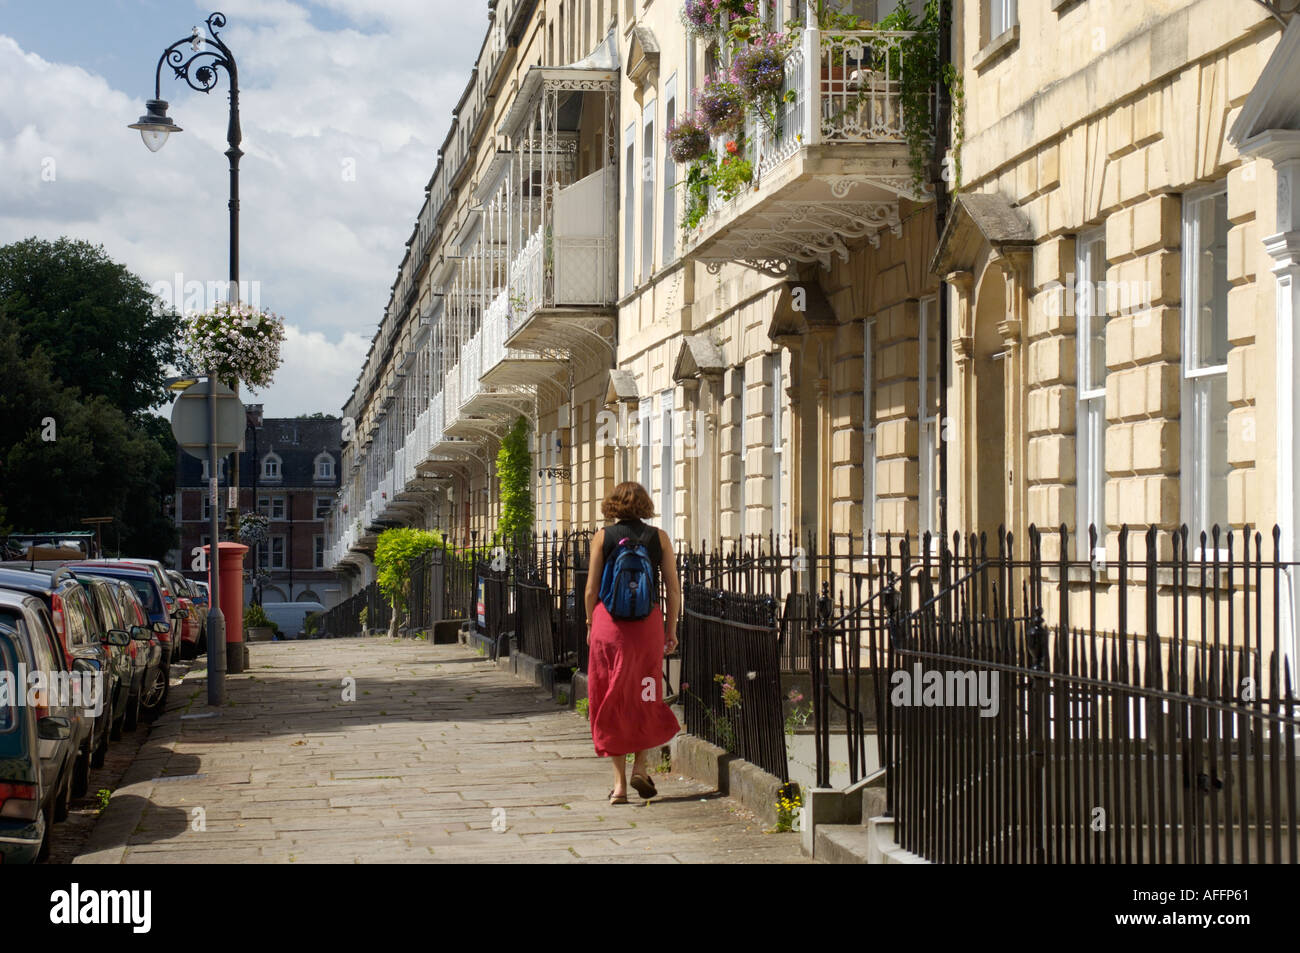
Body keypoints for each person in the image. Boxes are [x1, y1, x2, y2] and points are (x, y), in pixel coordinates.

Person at [584, 481, 681, 805]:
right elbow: (673, 589)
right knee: (646, 693)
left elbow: (590, 590)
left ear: (612, 505)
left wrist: (589, 623)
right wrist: (670, 630)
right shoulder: (659, 538)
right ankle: (641, 766)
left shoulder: (603, 537)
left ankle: (619, 785)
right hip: (647, 628)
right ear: (645, 505)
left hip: (608, 629)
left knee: (609, 697)